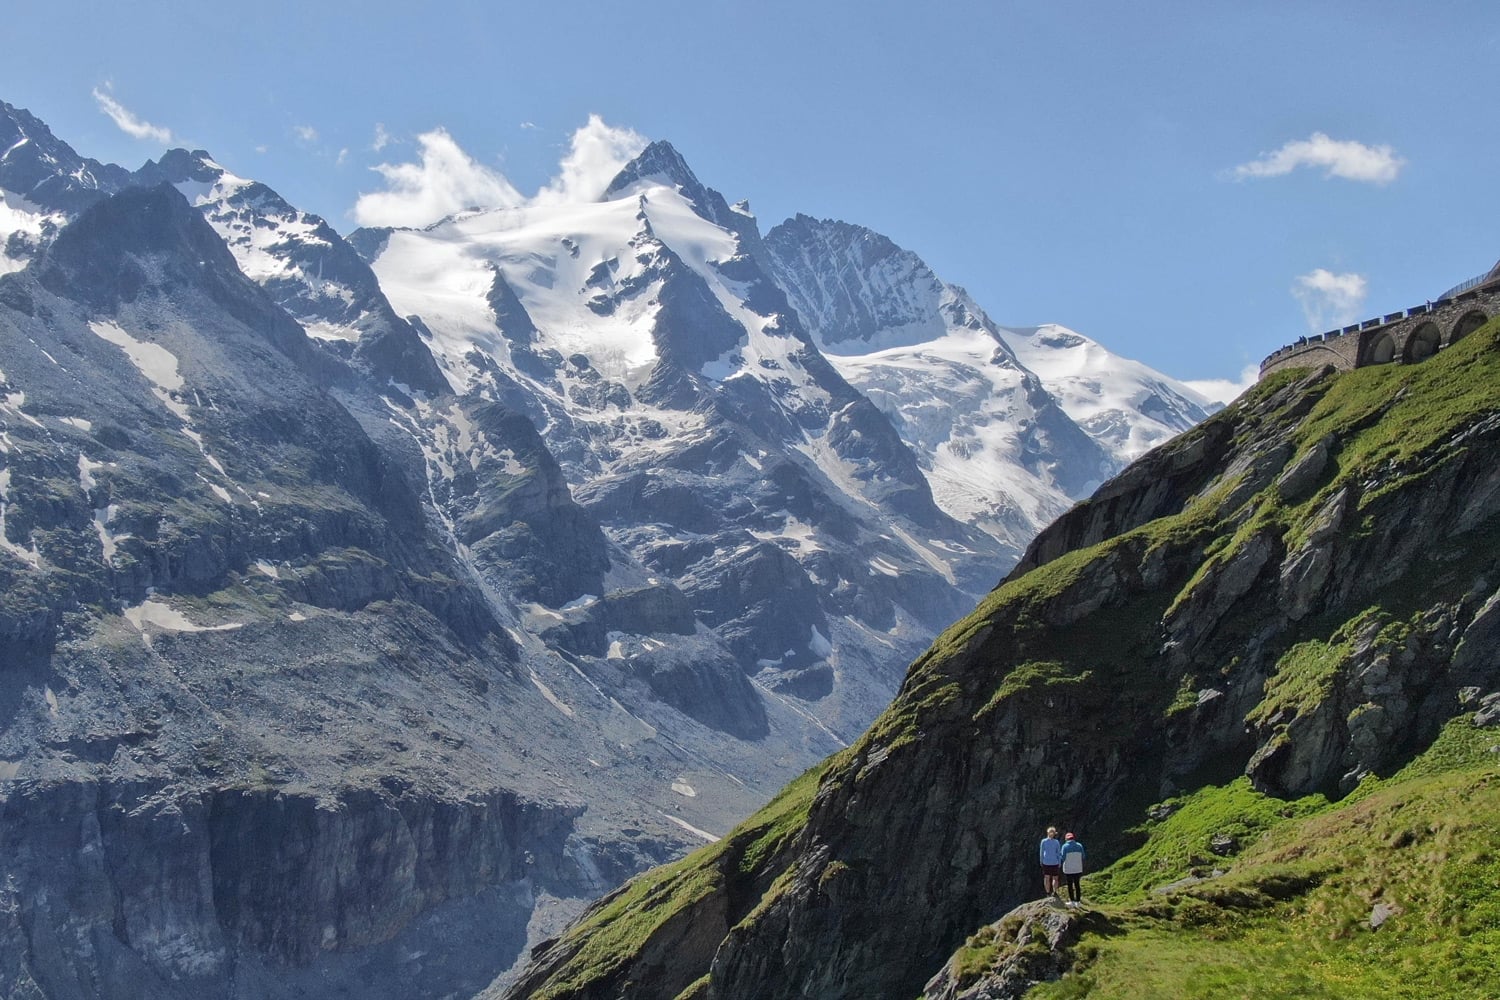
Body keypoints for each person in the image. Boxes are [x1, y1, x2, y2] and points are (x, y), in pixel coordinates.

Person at [1060, 832, 1086, 907]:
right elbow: (1083, 856)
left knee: (1070, 885)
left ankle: (1072, 901)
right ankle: (1078, 902)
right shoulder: (1079, 845)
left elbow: (1063, 858)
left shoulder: (1065, 846)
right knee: (1077, 884)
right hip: (1078, 868)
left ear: (1066, 839)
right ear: (1073, 838)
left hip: (1069, 869)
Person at [1039, 826, 1063, 898]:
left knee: (1047, 878)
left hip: (1046, 862)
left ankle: (1048, 893)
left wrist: (1041, 860)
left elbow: (1041, 852)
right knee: (1055, 878)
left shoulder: (1043, 841)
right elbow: (1058, 853)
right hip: (1055, 862)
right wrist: (1059, 862)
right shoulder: (1056, 842)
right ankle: (1054, 892)